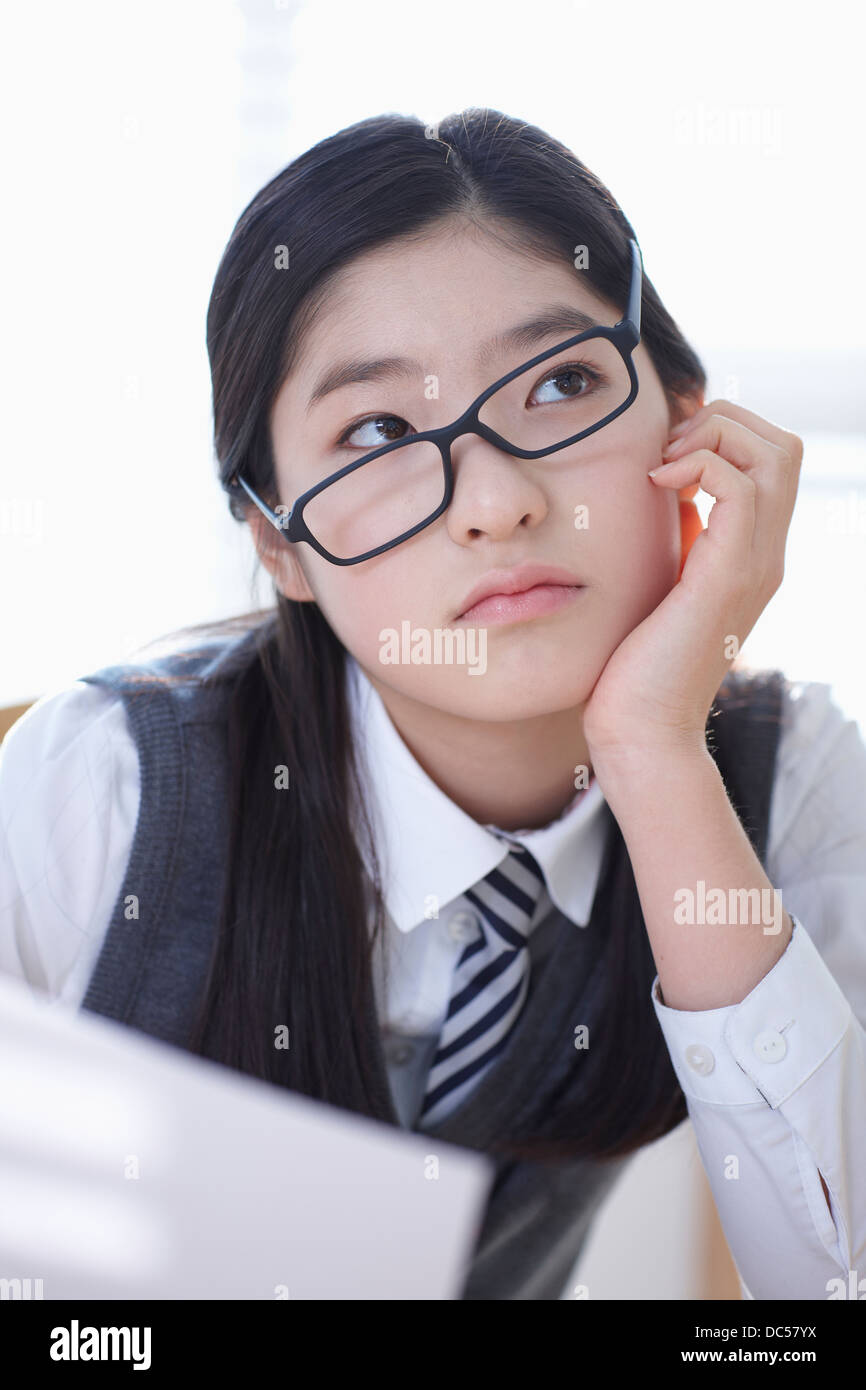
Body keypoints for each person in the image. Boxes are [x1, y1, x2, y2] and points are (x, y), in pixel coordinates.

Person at [2, 108, 864, 1301]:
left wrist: (654, 753)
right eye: (376, 431)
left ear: (686, 420)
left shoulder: (791, 784)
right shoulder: (98, 787)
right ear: (278, 543)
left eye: (559, 382)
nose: (494, 499)